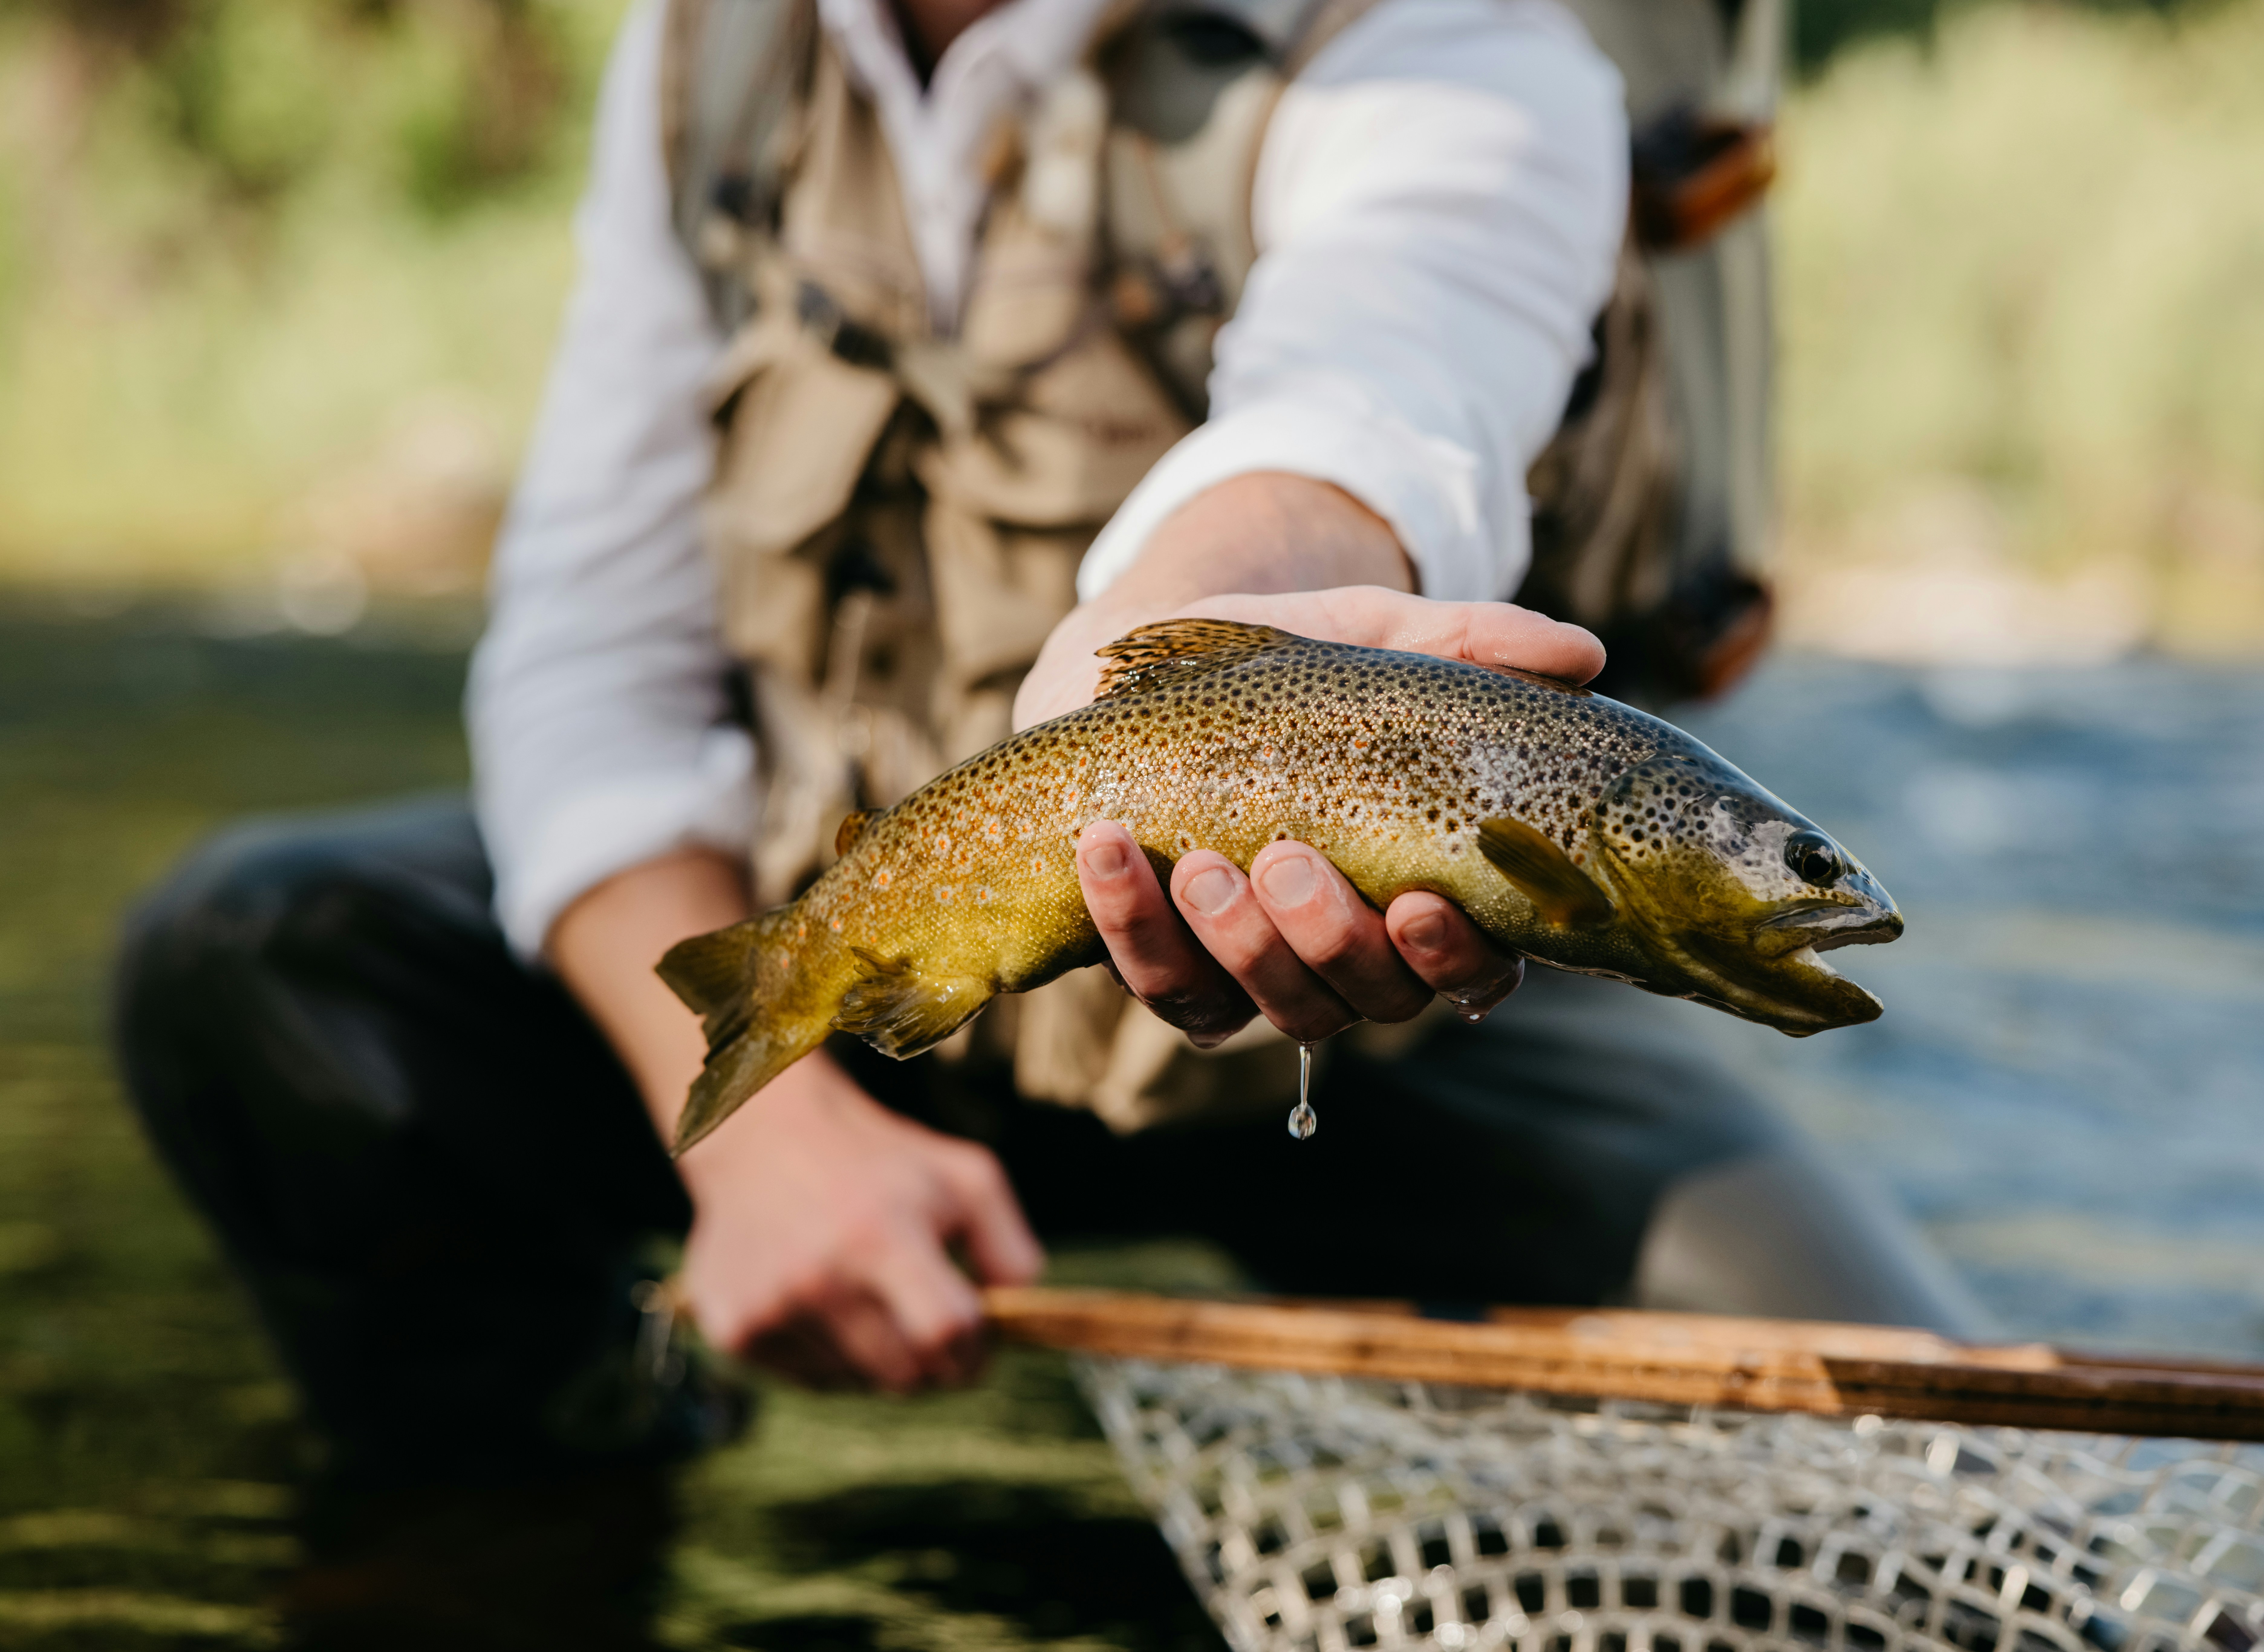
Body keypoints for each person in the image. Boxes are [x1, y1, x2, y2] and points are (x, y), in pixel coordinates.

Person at [114, 0, 1981, 1498]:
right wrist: (769, 1138)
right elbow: (589, 673)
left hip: (1401, 1027)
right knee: (261, 962)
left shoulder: (1456, 33)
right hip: (896, 928)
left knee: (1920, 1476)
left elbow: (1379, 387)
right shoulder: (716, 51)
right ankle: (551, 1519)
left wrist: (1182, 628)